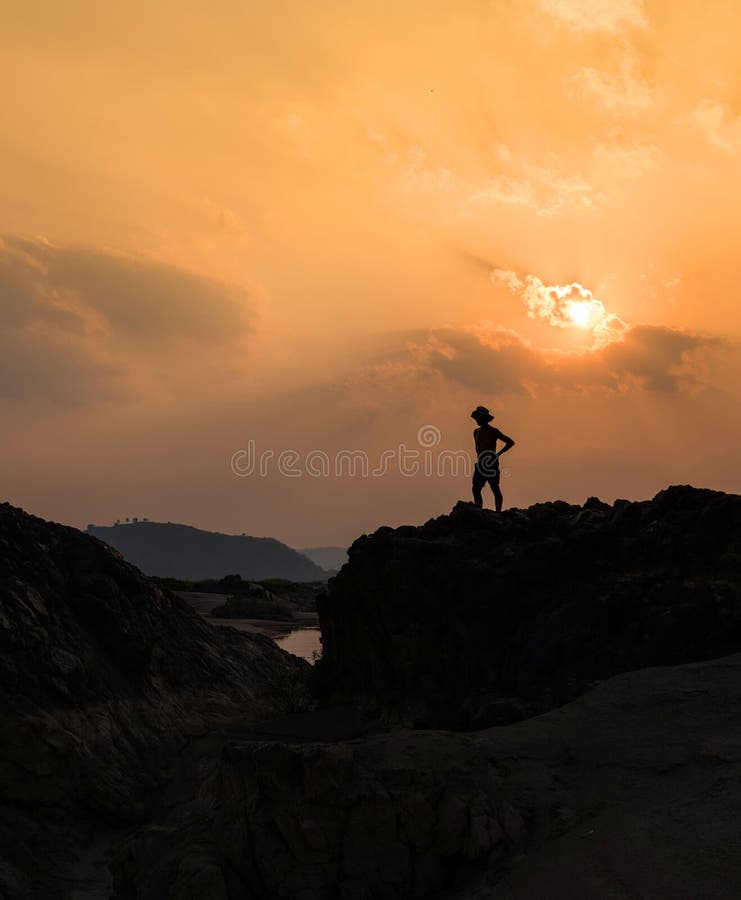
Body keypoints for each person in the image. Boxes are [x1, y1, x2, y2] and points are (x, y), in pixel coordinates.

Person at [470, 405, 515, 511]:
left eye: (480, 417)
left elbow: (510, 442)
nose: (477, 419)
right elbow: (479, 449)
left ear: (485, 418)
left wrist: (498, 454)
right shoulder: (476, 432)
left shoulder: (493, 431)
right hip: (481, 464)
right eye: (477, 417)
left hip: (491, 464)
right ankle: (478, 510)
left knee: (494, 488)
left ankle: (498, 512)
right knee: (476, 489)